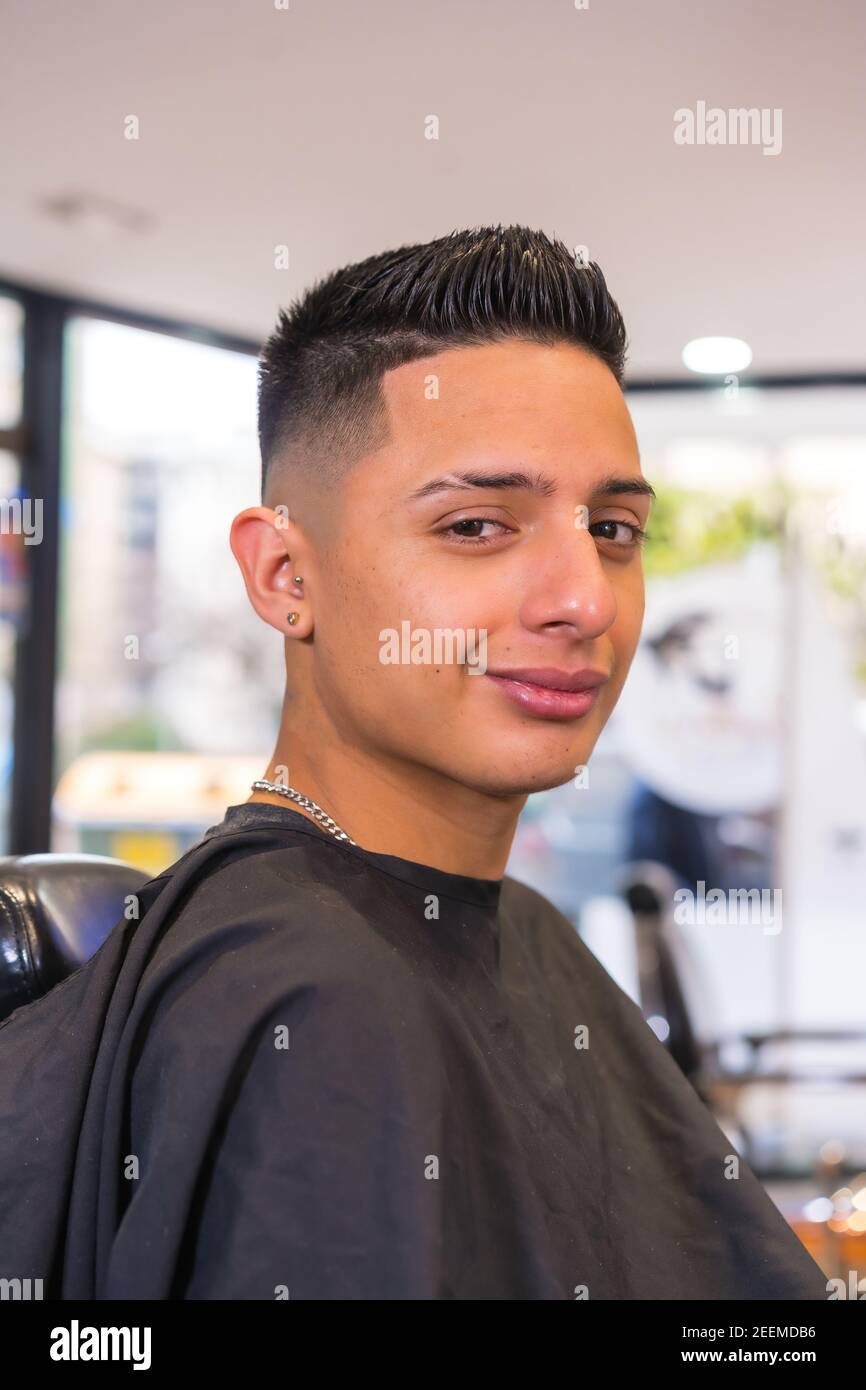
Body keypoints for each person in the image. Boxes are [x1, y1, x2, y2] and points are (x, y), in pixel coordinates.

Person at [0, 225, 827, 1299]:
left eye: (613, 529)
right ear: (284, 573)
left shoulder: (515, 928)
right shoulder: (310, 993)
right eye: (478, 524)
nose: (582, 600)